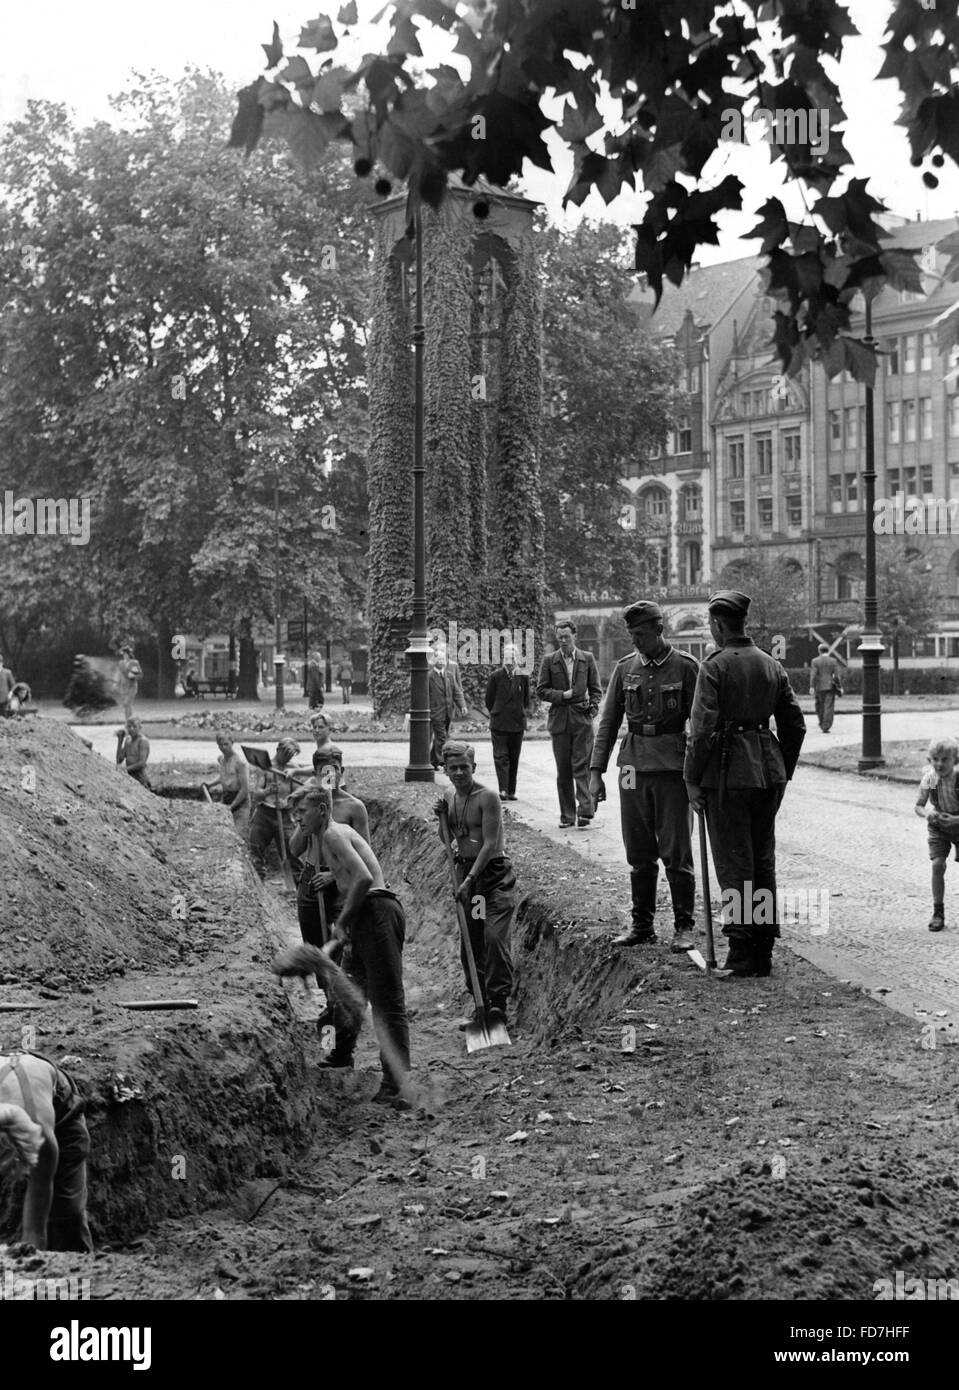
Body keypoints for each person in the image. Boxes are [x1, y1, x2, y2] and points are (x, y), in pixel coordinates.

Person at [684, 590, 806, 978]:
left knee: (735, 862)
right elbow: (795, 724)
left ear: (719, 625)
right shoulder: (771, 664)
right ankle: (762, 951)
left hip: (727, 775)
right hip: (767, 772)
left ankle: (740, 954)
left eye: (710, 624)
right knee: (762, 859)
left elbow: (701, 731)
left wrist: (691, 778)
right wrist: (781, 767)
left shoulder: (715, 666)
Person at [589, 601, 700, 950]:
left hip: (672, 767)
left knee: (676, 849)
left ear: (658, 629)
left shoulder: (686, 668)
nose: (635, 641)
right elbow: (607, 724)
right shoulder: (625, 669)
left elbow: (699, 725)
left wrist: (698, 776)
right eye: (631, 635)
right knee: (637, 847)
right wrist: (595, 772)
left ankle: (684, 927)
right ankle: (642, 925)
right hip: (632, 767)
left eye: (640, 634)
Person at [293, 786, 412, 1108]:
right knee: (348, 992)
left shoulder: (332, 834)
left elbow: (361, 878)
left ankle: (397, 1085)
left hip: (377, 913)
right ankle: (342, 1054)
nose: (297, 819)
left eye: (301, 812)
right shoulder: (326, 835)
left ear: (320, 809)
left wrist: (342, 922)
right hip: (365, 916)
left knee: (387, 1003)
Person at [434, 741, 516, 1028]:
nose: (458, 773)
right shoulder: (449, 796)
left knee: (494, 939)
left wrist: (470, 880)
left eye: (464, 767)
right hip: (467, 873)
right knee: (472, 943)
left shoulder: (488, 797)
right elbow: (447, 841)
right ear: (444, 769)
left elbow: (491, 844)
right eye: (452, 768)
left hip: (492, 877)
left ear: (474, 768)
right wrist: (441, 818)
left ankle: (498, 1005)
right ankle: (481, 1005)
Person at [0, 1051, 94, 1252]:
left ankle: (81, 1269)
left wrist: (29, 1265)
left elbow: (35, 1230)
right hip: (15, 1072)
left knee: (68, 1211)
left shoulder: (42, 1140)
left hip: (61, 1107)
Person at [536, 620, 602, 828]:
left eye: (566, 636)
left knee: (582, 765)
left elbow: (596, 690)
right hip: (559, 721)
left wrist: (592, 709)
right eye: (560, 637)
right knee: (563, 769)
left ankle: (585, 811)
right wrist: (561, 695)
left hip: (582, 720)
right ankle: (567, 815)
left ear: (575, 636)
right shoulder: (550, 660)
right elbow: (541, 690)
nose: (563, 641)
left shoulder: (587, 659)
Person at [914, 735, 959, 933]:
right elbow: (919, 806)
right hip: (939, 826)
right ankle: (938, 911)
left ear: (955, 760)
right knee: (937, 864)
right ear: (930, 760)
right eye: (935, 759)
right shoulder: (931, 780)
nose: (939, 764)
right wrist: (928, 814)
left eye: (945, 759)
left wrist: (956, 820)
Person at [248, 738, 304, 880]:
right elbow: (256, 795)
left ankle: (299, 887)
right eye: (286, 755)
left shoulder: (292, 768)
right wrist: (268, 791)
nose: (288, 759)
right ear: (278, 751)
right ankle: (258, 884)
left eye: (291, 756)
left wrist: (287, 803)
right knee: (255, 848)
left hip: (284, 816)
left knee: (292, 852)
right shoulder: (265, 768)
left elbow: (299, 795)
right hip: (264, 814)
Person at [485, 643, 534, 802]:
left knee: (514, 757)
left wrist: (518, 711)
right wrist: (497, 711)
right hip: (499, 722)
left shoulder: (523, 677)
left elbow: (526, 700)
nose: (509, 660)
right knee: (501, 756)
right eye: (506, 657)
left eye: (512, 657)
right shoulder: (496, 676)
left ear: (517, 659)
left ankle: (512, 791)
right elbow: (489, 700)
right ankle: (503, 790)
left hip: (517, 723)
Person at [429, 646, 467, 771]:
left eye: (443, 659)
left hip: (448, 713)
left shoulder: (449, 675)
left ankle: (433, 761)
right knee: (442, 738)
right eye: (439, 659)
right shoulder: (429, 677)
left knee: (440, 738)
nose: (441, 661)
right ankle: (445, 763)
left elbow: (457, 692)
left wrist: (462, 706)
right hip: (435, 713)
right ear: (434, 661)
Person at [213, 732, 251, 837]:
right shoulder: (222, 759)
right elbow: (224, 776)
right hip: (226, 798)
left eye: (226, 744)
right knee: (224, 835)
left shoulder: (240, 763)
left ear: (232, 743)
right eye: (221, 745)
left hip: (241, 803)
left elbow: (245, 789)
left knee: (239, 835)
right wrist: (209, 784)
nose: (223, 747)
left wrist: (232, 806)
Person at [809, 642, 843, 732]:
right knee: (829, 706)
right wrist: (840, 687)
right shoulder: (833, 661)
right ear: (828, 650)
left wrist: (812, 686)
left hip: (819, 687)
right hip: (830, 686)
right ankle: (826, 725)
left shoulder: (815, 661)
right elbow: (837, 676)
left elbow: (813, 675)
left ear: (819, 651)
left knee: (819, 705)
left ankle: (821, 722)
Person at [116, 717, 151, 787]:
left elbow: (141, 763)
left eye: (134, 726)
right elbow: (119, 760)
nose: (131, 729)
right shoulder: (128, 740)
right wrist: (120, 741)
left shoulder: (143, 741)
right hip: (129, 774)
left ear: (140, 728)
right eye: (129, 726)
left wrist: (125, 769)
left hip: (140, 775)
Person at [115, 643, 142, 720]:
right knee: (127, 705)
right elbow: (119, 674)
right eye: (123, 654)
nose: (124, 656)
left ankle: (128, 721)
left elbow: (140, 675)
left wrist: (133, 676)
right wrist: (116, 683)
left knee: (127, 703)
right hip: (123, 687)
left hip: (132, 686)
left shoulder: (135, 662)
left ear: (129, 654)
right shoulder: (121, 663)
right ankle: (129, 720)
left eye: (126, 654)